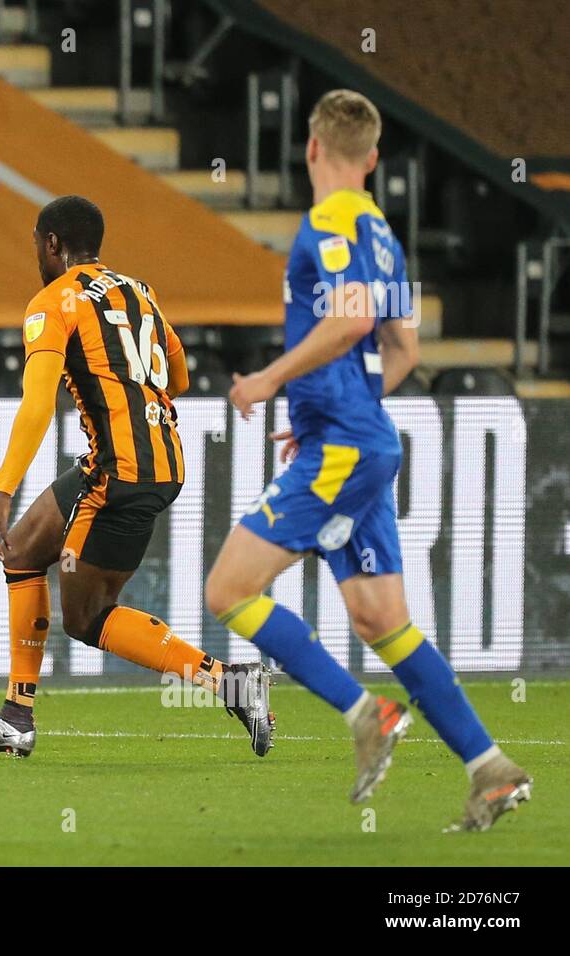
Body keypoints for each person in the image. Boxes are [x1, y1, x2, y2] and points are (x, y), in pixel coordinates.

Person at [205, 90, 531, 830]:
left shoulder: (327, 221)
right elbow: (403, 348)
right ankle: (490, 769)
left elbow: (348, 319)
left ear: (312, 148)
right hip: (364, 438)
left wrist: (270, 380)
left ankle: (366, 714)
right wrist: (331, 403)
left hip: (346, 444)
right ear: (374, 158)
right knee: (382, 619)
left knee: (229, 589)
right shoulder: (385, 234)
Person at [0, 195, 274, 759]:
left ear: (52, 244)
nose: (36, 252)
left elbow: (36, 405)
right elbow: (178, 371)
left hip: (119, 471)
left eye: (36, 241)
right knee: (25, 552)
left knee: (86, 616)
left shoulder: (53, 302)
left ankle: (230, 683)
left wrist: (0, 492)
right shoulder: (139, 292)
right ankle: (16, 716)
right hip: (153, 459)